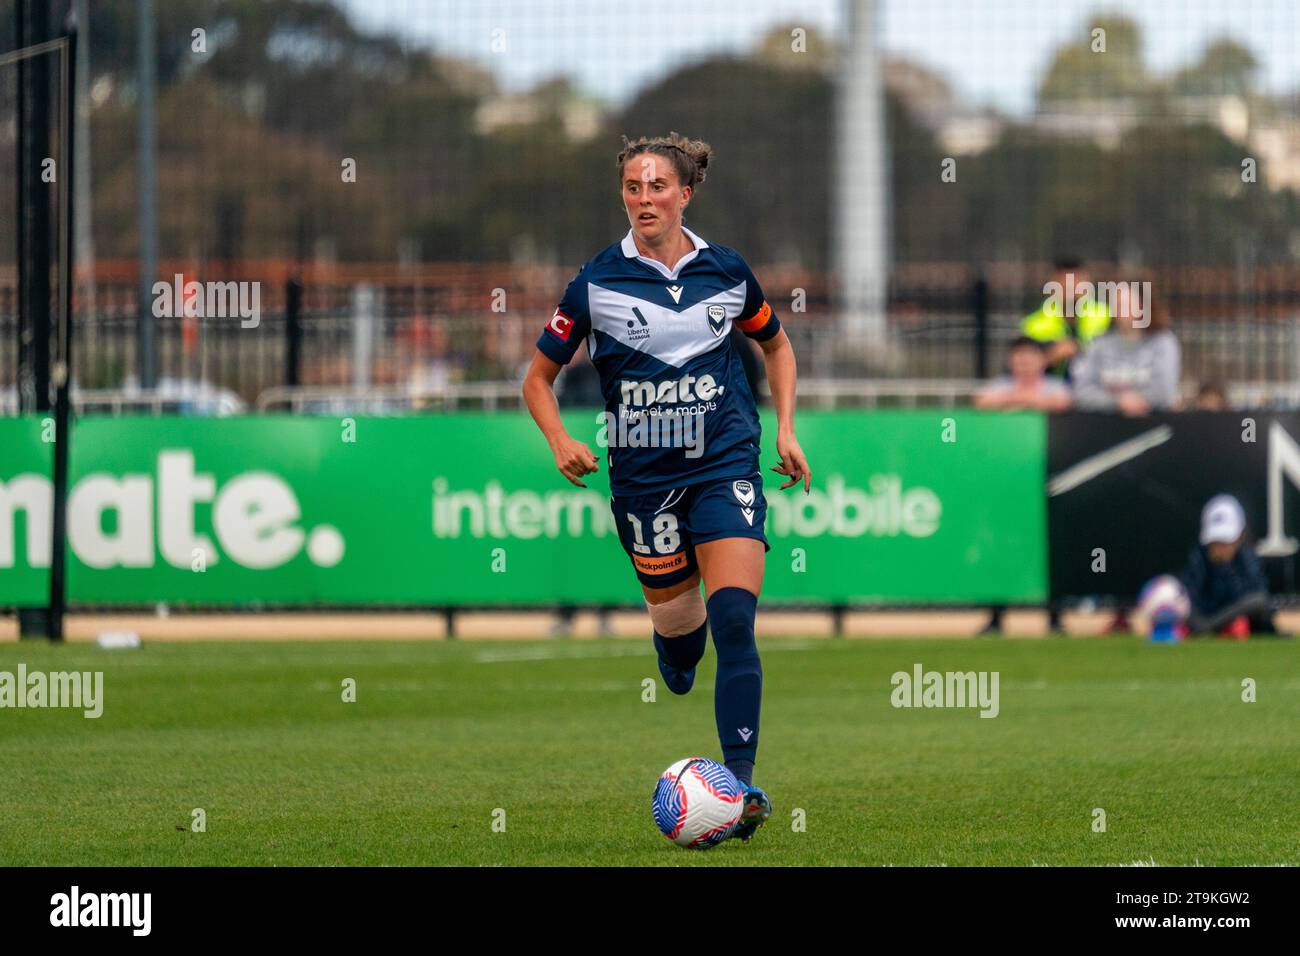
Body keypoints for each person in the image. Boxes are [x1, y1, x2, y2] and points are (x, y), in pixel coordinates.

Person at [521, 131, 812, 844]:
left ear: (686, 192)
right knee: (682, 651)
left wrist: (785, 429)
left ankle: (739, 790)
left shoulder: (729, 272)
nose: (644, 198)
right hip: (644, 485)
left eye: (657, 186)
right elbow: (536, 378)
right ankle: (673, 652)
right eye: (632, 187)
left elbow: (774, 343)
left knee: (736, 619)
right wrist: (560, 439)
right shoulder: (594, 283)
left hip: (724, 464)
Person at [975, 336, 1070, 636]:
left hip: (1047, 477)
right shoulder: (1000, 387)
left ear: (1043, 362)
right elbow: (982, 402)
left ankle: (1054, 616)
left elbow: (1063, 402)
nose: (1024, 364)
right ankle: (997, 615)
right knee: (1004, 545)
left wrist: (1019, 402)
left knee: (1052, 546)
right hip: (1010, 480)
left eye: (1029, 358)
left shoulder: (1055, 387)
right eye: (1018, 359)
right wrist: (1023, 400)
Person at [1181, 494, 1286, 638]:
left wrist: (1210, 626)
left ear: (1240, 535)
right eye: (1216, 541)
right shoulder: (1198, 558)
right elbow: (1188, 597)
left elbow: (1257, 601)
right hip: (1204, 620)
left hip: (1238, 627)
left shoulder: (1248, 559)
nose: (1221, 546)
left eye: (1226, 540)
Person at [1071, 281, 1181, 414]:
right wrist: (1117, 402)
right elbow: (1082, 392)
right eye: (1116, 305)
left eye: (1126, 306)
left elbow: (1164, 391)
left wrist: (1137, 402)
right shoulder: (1099, 345)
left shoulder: (1163, 342)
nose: (1119, 311)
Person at [1021, 257, 1111, 379]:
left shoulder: (1107, 317)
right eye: (1065, 283)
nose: (1072, 289)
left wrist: (1082, 350)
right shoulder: (1033, 325)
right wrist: (1048, 358)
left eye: (1077, 282)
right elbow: (1020, 372)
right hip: (1051, 392)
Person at [975, 335, 1073, 413]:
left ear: (1043, 360)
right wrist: (1026, 400)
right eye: (1019, 355)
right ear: (1010, 361)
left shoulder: (1054, 385)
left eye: (1030, 355)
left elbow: (1063, 403)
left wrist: (1017, 400)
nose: (1024, 360)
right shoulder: (1001, 384)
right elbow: (981, 401)